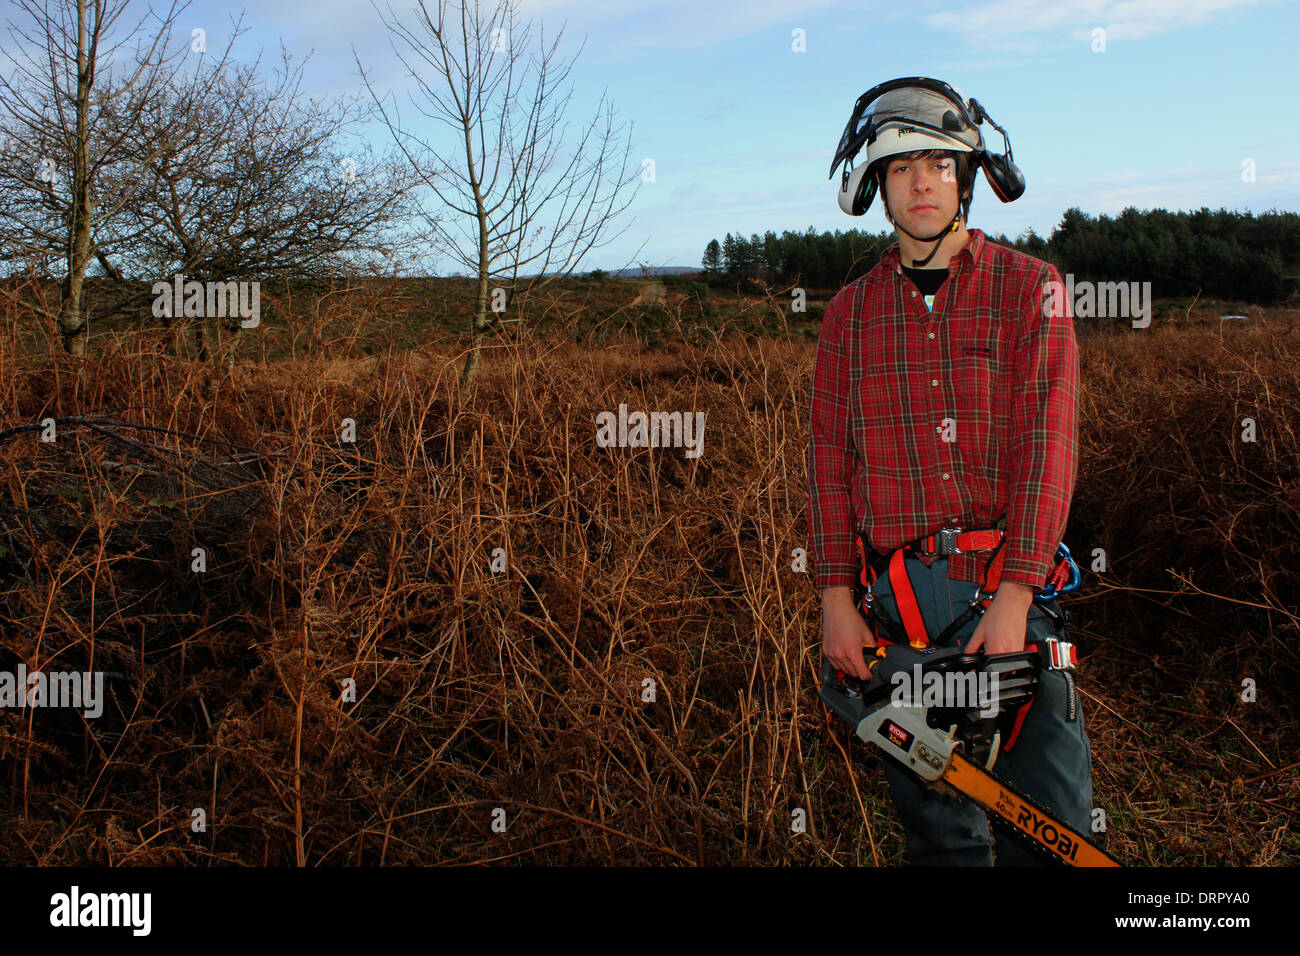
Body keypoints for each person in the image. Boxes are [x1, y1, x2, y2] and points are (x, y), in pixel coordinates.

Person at [807, 77, 1094, 865]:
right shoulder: (848, 315)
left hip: (1009, 590)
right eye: (901, 167)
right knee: (941, 834)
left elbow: (1049, 449)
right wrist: (837, 598)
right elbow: (830, 462)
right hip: (900, 611)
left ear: (966, 177)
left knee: (1056, 831)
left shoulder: (1032, 289)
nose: (922, 180)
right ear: (877, 186)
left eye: (938, 160)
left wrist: (1014, 601)